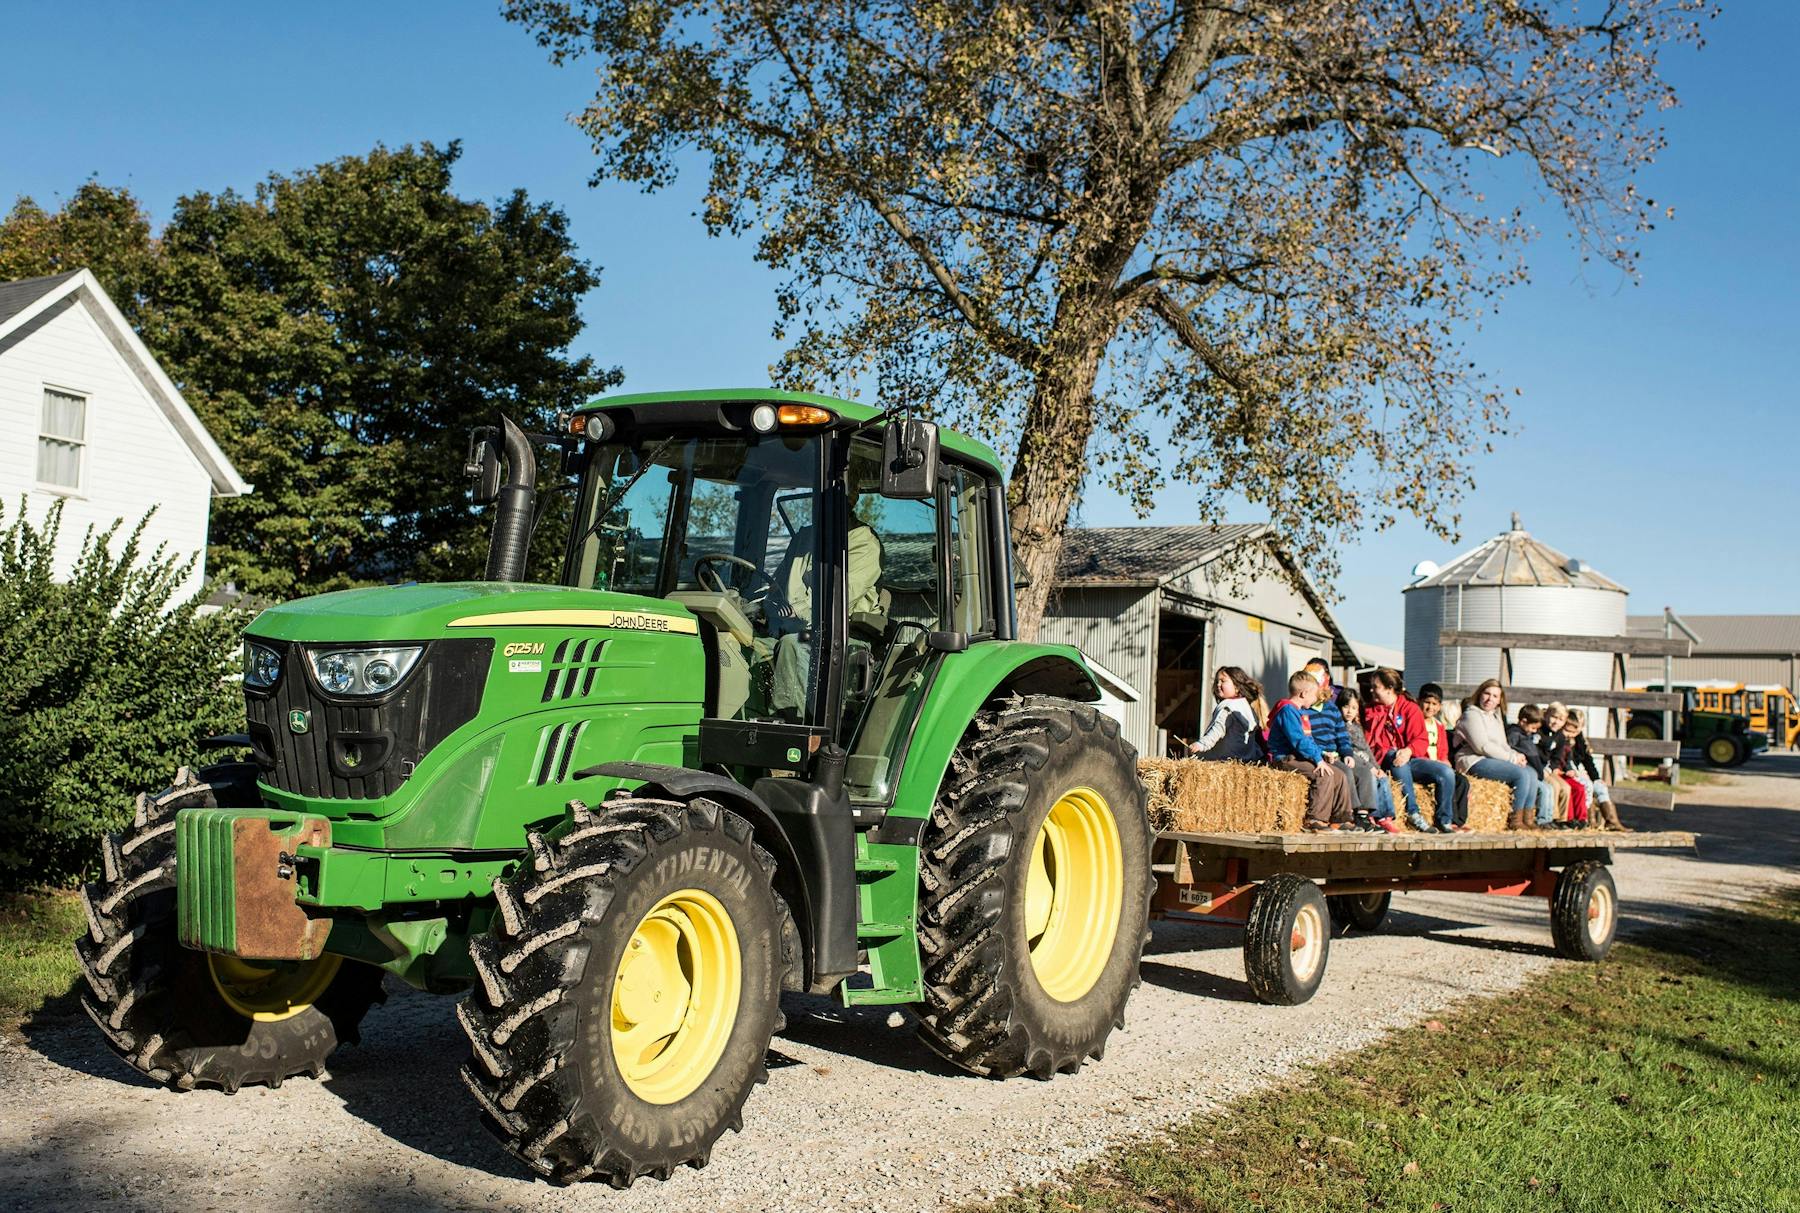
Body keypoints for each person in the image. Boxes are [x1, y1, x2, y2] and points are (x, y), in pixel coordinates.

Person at [1364, 668, 1462, 833]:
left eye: (1376, 686)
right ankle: (1412, 812)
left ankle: (1444, 819)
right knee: (1398, 759)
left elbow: (1421, 739)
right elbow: (1369, 742)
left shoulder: (1410, 708)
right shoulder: (1370, 710)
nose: (1371, 690)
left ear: (1389, 689)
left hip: (1411, 757)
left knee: (1446, 772)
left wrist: (1409, 750)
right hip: (1385, 758)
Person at [1266, 670, 1354, 833]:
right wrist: (1318, 761)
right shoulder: (1288, 710)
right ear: (1304, 693)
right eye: (1314, 694)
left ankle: (1341, 818)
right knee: (1323, 774)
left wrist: (1321, 754)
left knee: (1339, 775)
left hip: (1298, 757)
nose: (1316, 699)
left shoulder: (1299, 712)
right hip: (1285, 759)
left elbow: (1308, 741)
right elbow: (1298, 740)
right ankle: (1315, 819)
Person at [1454, 679, 1541, 831]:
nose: (1490, 699)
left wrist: (1516, 755)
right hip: (1475, 760)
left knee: (1531, 773)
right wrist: (1511, 759)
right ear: (1479, 694)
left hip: (1493, 759)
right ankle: (1515, 820)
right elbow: (1482, 746)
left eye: (1495, 696)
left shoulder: (1495, 717)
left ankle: (1528, 818)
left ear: (1500, 700)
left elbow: (1503, 745)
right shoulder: (1471, 715)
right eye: (1487, 694)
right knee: (1520, 774)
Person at [1338, 687, 1397, 832]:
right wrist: (1369, 767)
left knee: (1382, 778)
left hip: (1365, 758)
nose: (1349, 711)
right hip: (1351, 757)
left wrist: (1377, 767)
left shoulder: (1357, 727)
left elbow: (1367, 749)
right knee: (1367, 774)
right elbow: (1347, 749)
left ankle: (1383, 816)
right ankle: (1366, 815)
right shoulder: (1340, 726)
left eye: (1353, 708)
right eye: (1346, 706)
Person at [1417, 683, 1472, 829]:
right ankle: (1447, 819)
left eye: (1434, 704)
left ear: (1440, 706)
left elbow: (1443, 750)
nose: (1430, 707)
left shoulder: (1439, 726)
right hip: (1424, 764)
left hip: (1438, 764)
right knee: (1446, 779)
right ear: (1419, 701)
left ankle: (1459, 821)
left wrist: (1444, 760)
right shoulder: (1416, 722)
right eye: (1427, 703)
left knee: (1462, 781)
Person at [1184, 667, 1268, 763]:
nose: (1218, 684)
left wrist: (1201, 744)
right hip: (1244, 762)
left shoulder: (1228, 707)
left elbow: (1217, 730)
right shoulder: (1246, 706)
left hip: (1223, 761)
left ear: (1237, 686)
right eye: (1217, 681)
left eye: (1223, 681)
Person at [1564, 710, 1629, 832]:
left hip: (1579, 772)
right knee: (1586, 785)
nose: (1577, 730)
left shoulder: (1580, 740)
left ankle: (1612, 821)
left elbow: (1588, 761)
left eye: (1580, 726)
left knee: (1600, 787)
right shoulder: (1566, 739)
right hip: (1571, 772)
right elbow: (1565, 761)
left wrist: (1596, 778)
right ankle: (1589, 821)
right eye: (1576, 726)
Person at [1507, 705, 1558, 828]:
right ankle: (1517, 818)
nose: (1535, 731)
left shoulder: (1525, 735)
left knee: (1533, 775)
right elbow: (1508, 749)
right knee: (1530, 775)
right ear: (1523, 721)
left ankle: (1528, 818)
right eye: (1533, 727)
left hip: (1530, 768)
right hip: (1517, 765)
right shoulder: (1514, 733)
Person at [1540, 702, 1588, 827]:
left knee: (1578, 787)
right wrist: (1553, 769)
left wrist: (1568, 769)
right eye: (1554, 717)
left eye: (1560, 719)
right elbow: (1543, 755)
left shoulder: (1560, 738)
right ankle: (1559, 818)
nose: (1556, 722)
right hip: (1549, 770)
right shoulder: (1543, 733)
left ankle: (1580, 818)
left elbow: (1563, 759)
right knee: (1561, 786)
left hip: (1556, 770)